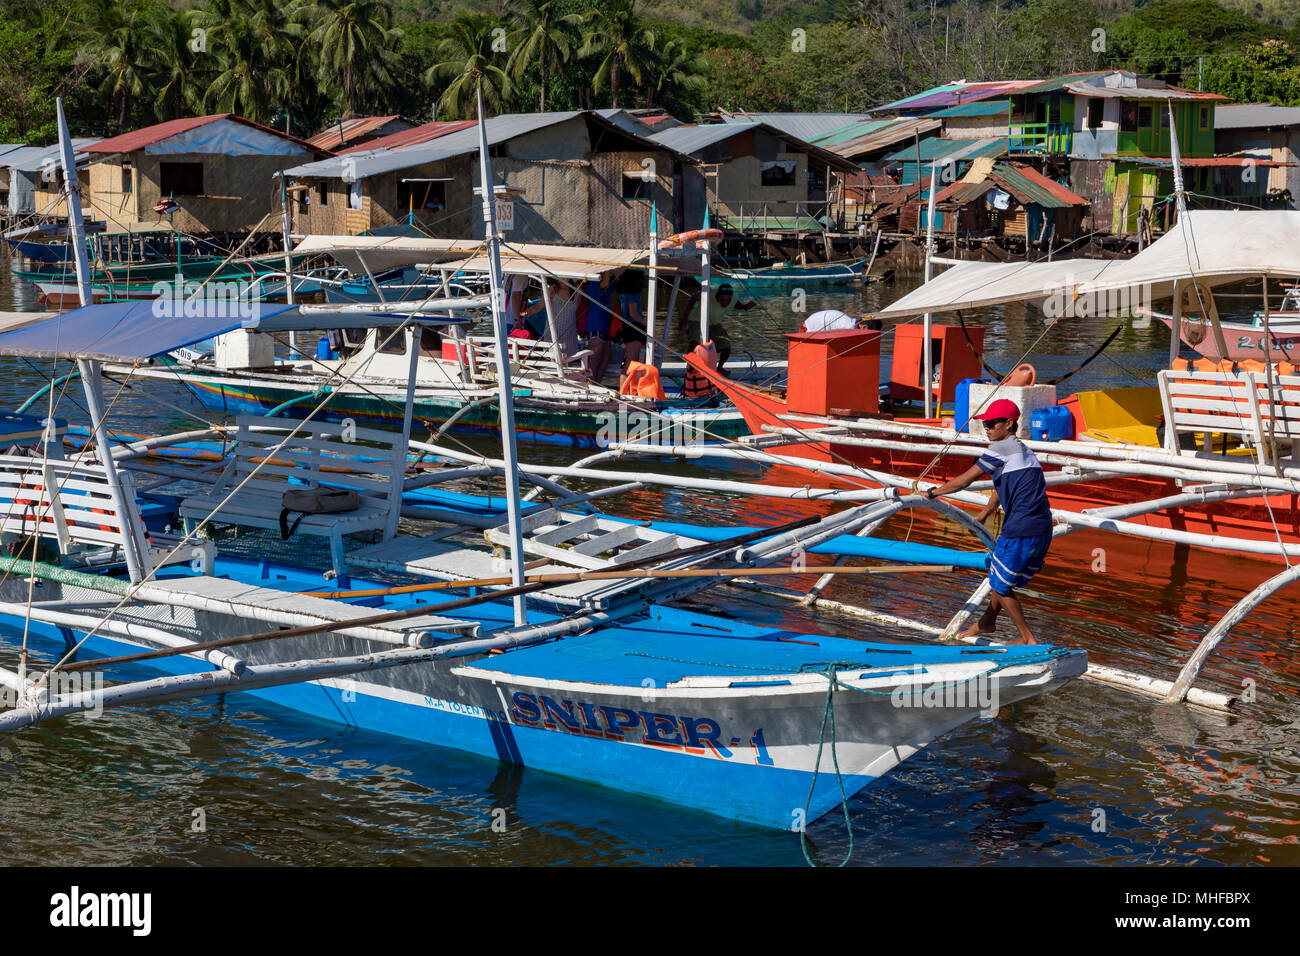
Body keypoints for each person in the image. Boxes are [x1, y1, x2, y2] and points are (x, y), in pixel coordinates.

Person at [921, 399, 1053, 644]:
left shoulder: (1000, 449)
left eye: (992, 423)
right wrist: (985, 514)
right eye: (985, 424)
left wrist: (931, 493)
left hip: (1021, 529)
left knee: (1001, 586)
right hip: (1043, 528)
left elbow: (964, 481)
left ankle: (1027, 639)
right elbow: (1000, 484)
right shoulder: (1023, 451)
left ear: (1009, 424)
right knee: (1001, 576)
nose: (987, 428)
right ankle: (987, 622)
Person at [578, 270, 621, 383]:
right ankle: (589, 383)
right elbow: (605, 283)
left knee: (606, 358)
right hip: (595, 325)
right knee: (595, 359)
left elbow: (615, 283)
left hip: (605, 325)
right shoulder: (591, 284)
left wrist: (615, 273)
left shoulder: (605, 283)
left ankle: (597, 383)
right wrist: (608, 269)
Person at [615, 271, 649, 390]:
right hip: (634, 328)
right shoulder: (633, 294)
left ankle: (627, 390)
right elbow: (633, 313)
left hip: (627, 327)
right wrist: (645, 322)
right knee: (631, 361)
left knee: (630, 360)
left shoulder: (623, 293)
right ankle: (624, 393)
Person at [801, 309, 873, 332]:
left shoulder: (852, 321)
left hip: (811, 320)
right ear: (864, 327)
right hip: (812, 325)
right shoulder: (849, 327)